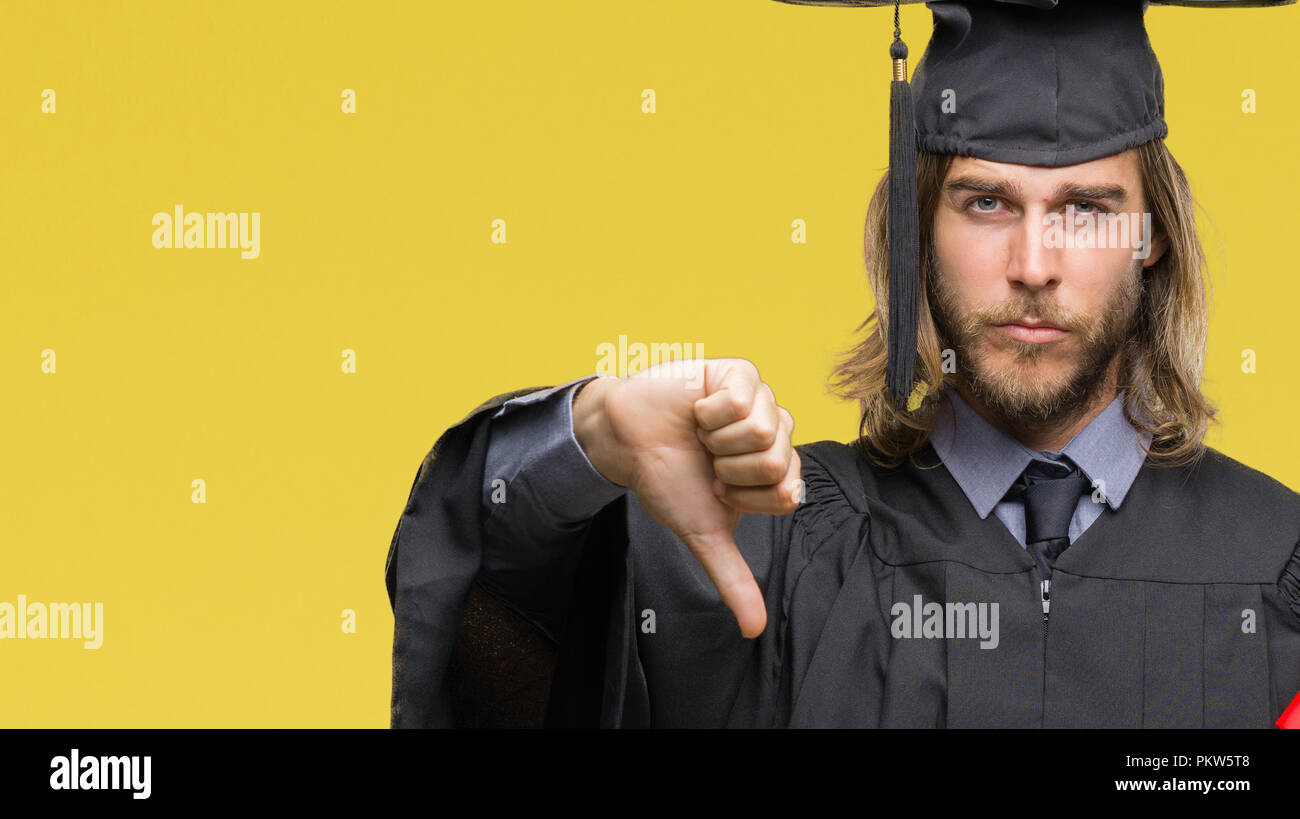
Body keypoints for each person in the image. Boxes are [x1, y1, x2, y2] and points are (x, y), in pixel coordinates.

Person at [386, 0, 1300, 727]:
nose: (1034, 265)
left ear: (1151, 238)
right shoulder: (766, 545)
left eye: (1086, 210)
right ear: (916, 231)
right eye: (985, 203)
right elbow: (483, 615)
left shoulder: (1278, 568)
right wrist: (590, 439)